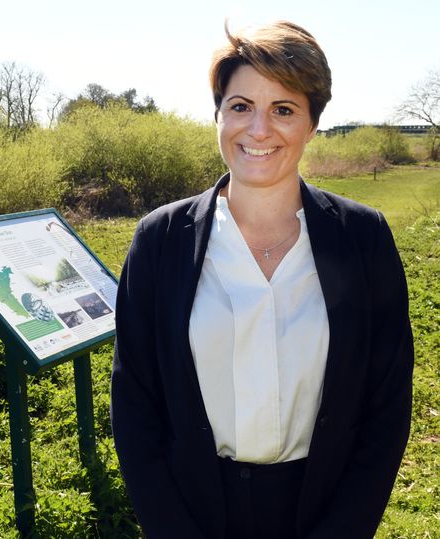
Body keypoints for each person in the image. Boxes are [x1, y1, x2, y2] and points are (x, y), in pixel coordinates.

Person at [110, 20, 413, 539]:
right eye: (241, 106)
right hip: (194, 508)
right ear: (219, 115)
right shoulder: (161, 240)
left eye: (284, 109)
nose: (258, 130)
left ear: (313, 123)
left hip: (323, 507)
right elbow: (136, 407)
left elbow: (386, 407)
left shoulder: (363, 238)